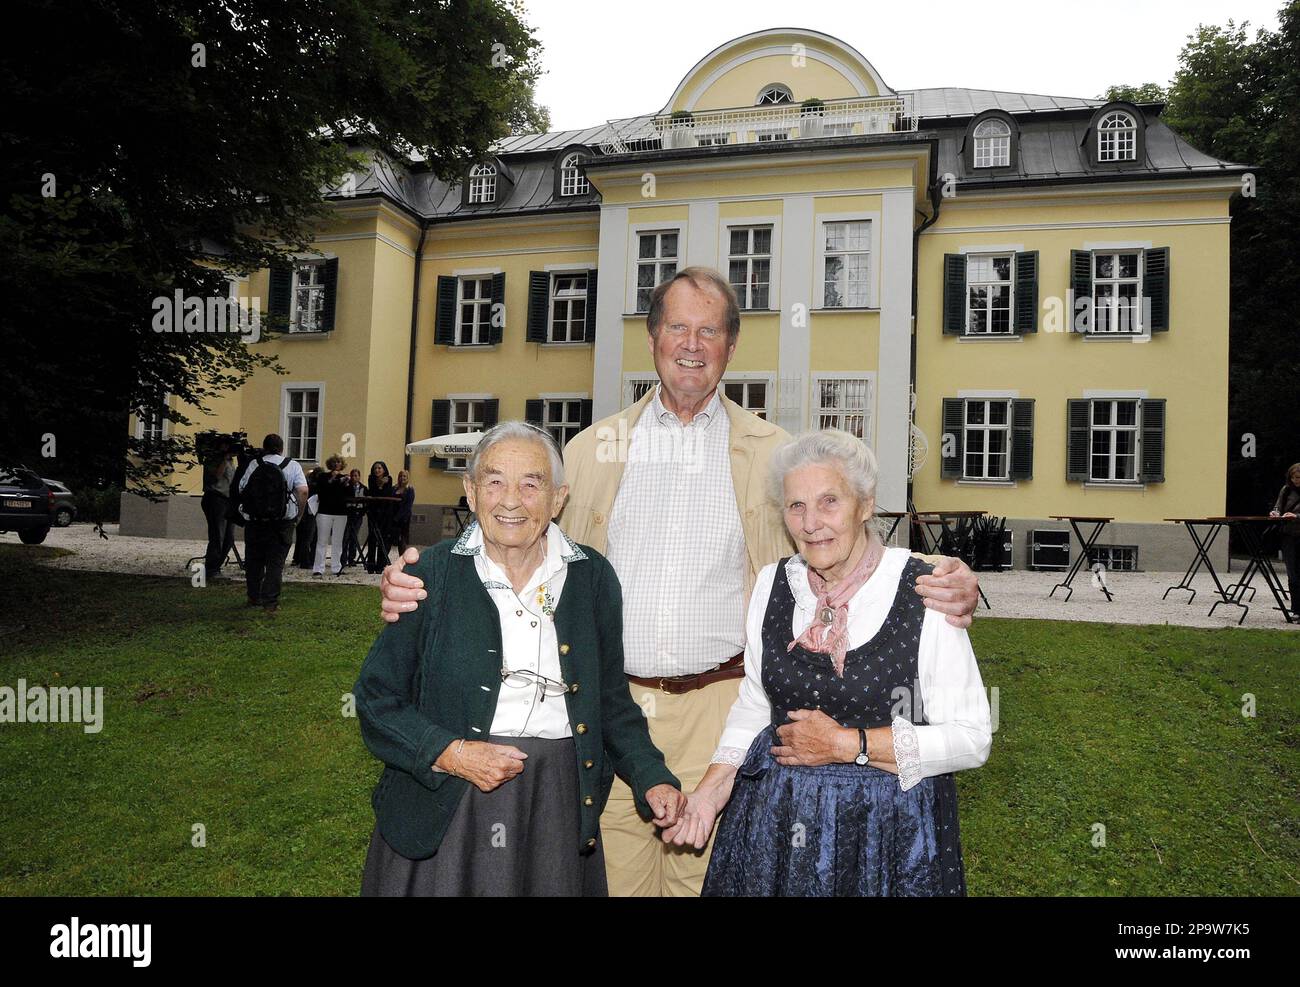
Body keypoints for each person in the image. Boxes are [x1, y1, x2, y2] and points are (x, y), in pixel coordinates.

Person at [379, 266, 983, 896]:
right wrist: (420, 575)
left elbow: (832, 551)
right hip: (606, 713)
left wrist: (943, 582)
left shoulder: (775, 453)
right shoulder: (591, 450)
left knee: (706, 881)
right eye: (677, 328)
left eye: (709, 330)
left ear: (730, 344)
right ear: (651, 338)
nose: (692, 345)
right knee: (611, 881)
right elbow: (517, 531)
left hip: (722, 709)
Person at [354, 421, 685, 896]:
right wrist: (452, 755)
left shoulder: (593, 578)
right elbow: (376, 699)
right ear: (471, 491)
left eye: (531, 484)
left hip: (554, 802)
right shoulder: (430, 574)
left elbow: (610, 701)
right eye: (494, 482)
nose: (511, 500)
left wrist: (652, 776)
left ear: (558, 498)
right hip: (451, 801)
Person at [660, 430, 991, 895]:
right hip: (774, 822)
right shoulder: (773, 583)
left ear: (866, 505)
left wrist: (846, 744)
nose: (811, 522)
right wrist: (712, 792)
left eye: (829, 501)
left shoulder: (927, 590)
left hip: (885, 834)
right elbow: (757, 702)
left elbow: (973, 738)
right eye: (796, 506)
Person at [238, 433, 308, 614]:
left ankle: (253, 597)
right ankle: (270, 602)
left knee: (254, 561)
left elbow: (242, 489)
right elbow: (303, 491)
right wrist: (298, 516)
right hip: (282, 522)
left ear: (264, 447)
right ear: (282, 448)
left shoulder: (254, 464)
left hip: (255, 521)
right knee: (275, 563)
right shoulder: (292, 465)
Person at [201, 439, 237, 580]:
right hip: (216, 498)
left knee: (229, 538)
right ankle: (211, 569)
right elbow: (216, 476)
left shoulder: (230, 461)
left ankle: (216, 566)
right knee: (218, 536)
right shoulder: (212, 459)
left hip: (228, 500)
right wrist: (223, 457)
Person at [1268, 462, 1300, 617]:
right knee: (1292, 574)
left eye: (1299, 478)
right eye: (1294, 478)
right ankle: (1296, 610)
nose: (1296, 481)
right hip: (1288, 535)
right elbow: (1278, 507)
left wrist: (1297, 516)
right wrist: (1275, 513)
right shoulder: (1286, 490)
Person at [313, 455, 351, 577]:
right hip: (324, 511)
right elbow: (321, 492)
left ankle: (336, 567)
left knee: (337, 541)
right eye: (334, 461)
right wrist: (331, 480)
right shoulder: (323, 477)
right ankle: (318, 568)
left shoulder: (344, 478)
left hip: (341, 513)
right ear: (330, 464)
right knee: (322, 541)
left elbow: (350, 494)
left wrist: (348, 484)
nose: (337, 464)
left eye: (339, 462)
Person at [365, 461, 396, 573]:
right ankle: (371, 564)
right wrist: (381, 485)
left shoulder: (389, 478)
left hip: (385, 512)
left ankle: (380, 564)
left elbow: (386, 493)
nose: (377, 470)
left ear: (384, 470)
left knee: (383, 538)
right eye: (375, 468)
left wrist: (382, 486)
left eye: (379, 468)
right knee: (372, 538)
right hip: (373, 511)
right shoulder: (371, 479)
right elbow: (374, 491)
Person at [342, 469, 368, 568]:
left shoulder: (364, 488)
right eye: (352, 476)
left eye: (356, 476)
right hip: (349, 514)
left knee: (354, 537)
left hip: (358, 515)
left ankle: (351, 558)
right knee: (346, 537)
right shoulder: (347, 487)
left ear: (359, 476)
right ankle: (343, 559)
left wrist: (362, 512)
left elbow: (366, 502)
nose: (354, 478)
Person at [394, 469, 415, 556]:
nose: (402, 478)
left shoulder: (410, 490)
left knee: (402, 539)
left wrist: (398, 517)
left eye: (404, 476)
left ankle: (402, 557)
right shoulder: (394, 488)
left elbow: (408, 505)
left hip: (404, 517)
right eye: (401, 476)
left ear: (407, 478)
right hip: (393, 516)